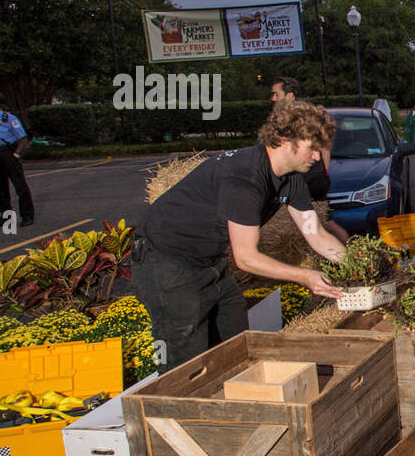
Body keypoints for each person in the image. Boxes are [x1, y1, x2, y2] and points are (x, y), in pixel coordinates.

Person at [133, 101, 346, 372]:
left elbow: (315, 233)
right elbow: (245, 258)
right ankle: (176, 410)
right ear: (284, 139)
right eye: (312, 147)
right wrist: (305, 276)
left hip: (209, 262)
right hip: (165, 260)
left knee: (235, 345)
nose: (318, 157)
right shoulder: (245, 176)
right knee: (185, 365)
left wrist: (355, 263)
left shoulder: (291, 178)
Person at [269, 75, 347, 241]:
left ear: (289, 96)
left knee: (312, 223)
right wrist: (324, 171)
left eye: (276, 94)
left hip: (306, 178)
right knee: (323, 221)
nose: (272, 98)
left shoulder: (293, 118)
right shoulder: (308, 114)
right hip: (314, 177)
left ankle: (345, 254)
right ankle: (347, 252)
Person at [0, 91, 35, 227]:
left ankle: (27, 215)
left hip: (7, 153)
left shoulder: (9, 119)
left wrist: (16, 153)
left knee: (20, 186)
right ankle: (5, 216)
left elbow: (22, 138)